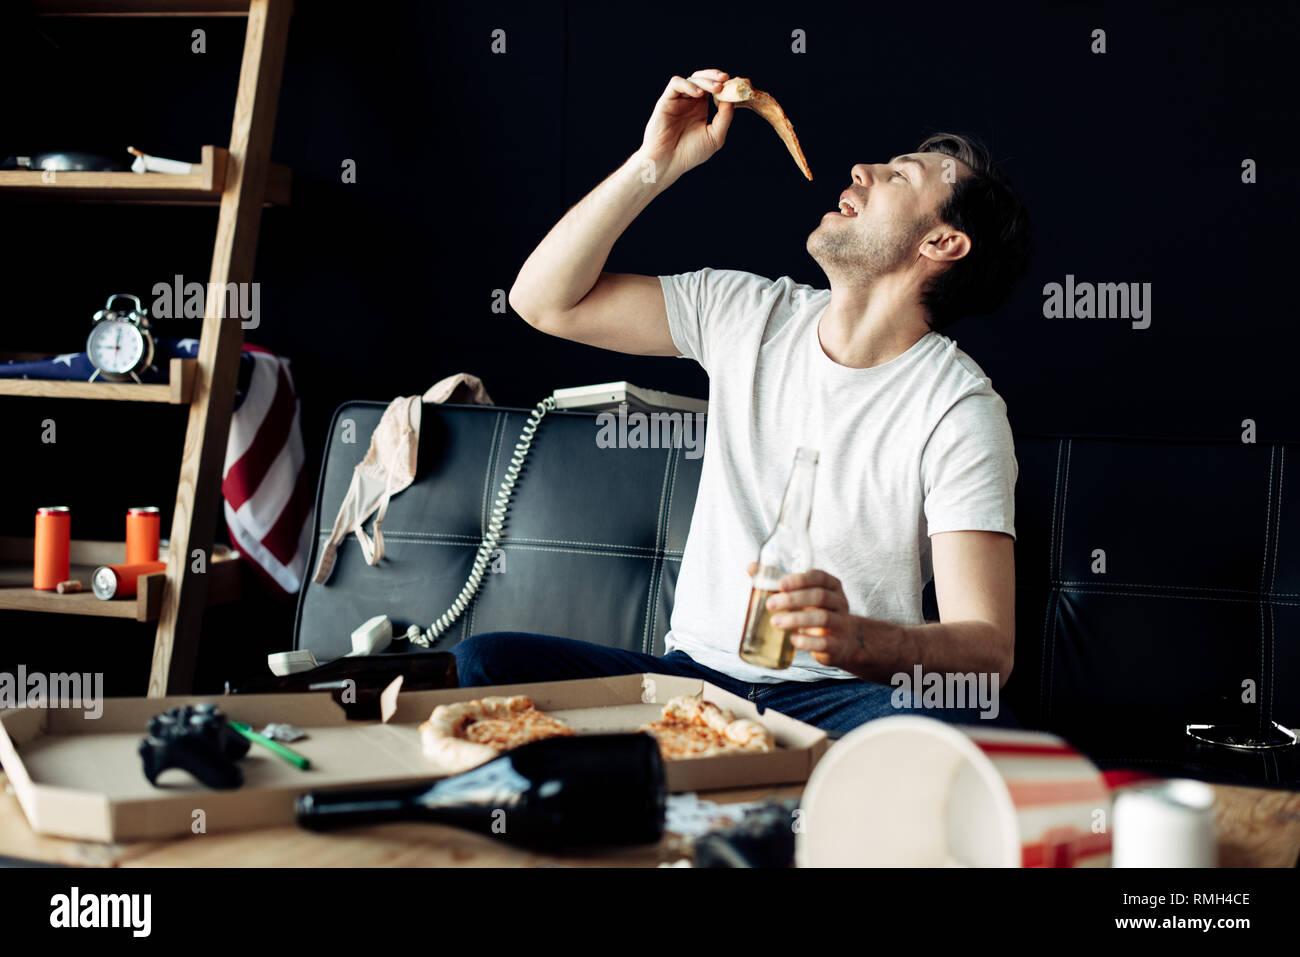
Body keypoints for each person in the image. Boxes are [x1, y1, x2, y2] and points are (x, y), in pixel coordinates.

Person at [455, 68, 1032, 732]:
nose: (864, 170)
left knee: (967, 719)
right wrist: (655, 164)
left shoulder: (959, 406)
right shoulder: (744, 310)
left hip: (842, 698)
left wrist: (853, 639)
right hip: (690, 683)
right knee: (485, 664)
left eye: (900, 176)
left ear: (942, 243)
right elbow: (541, 301)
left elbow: (988, 649)